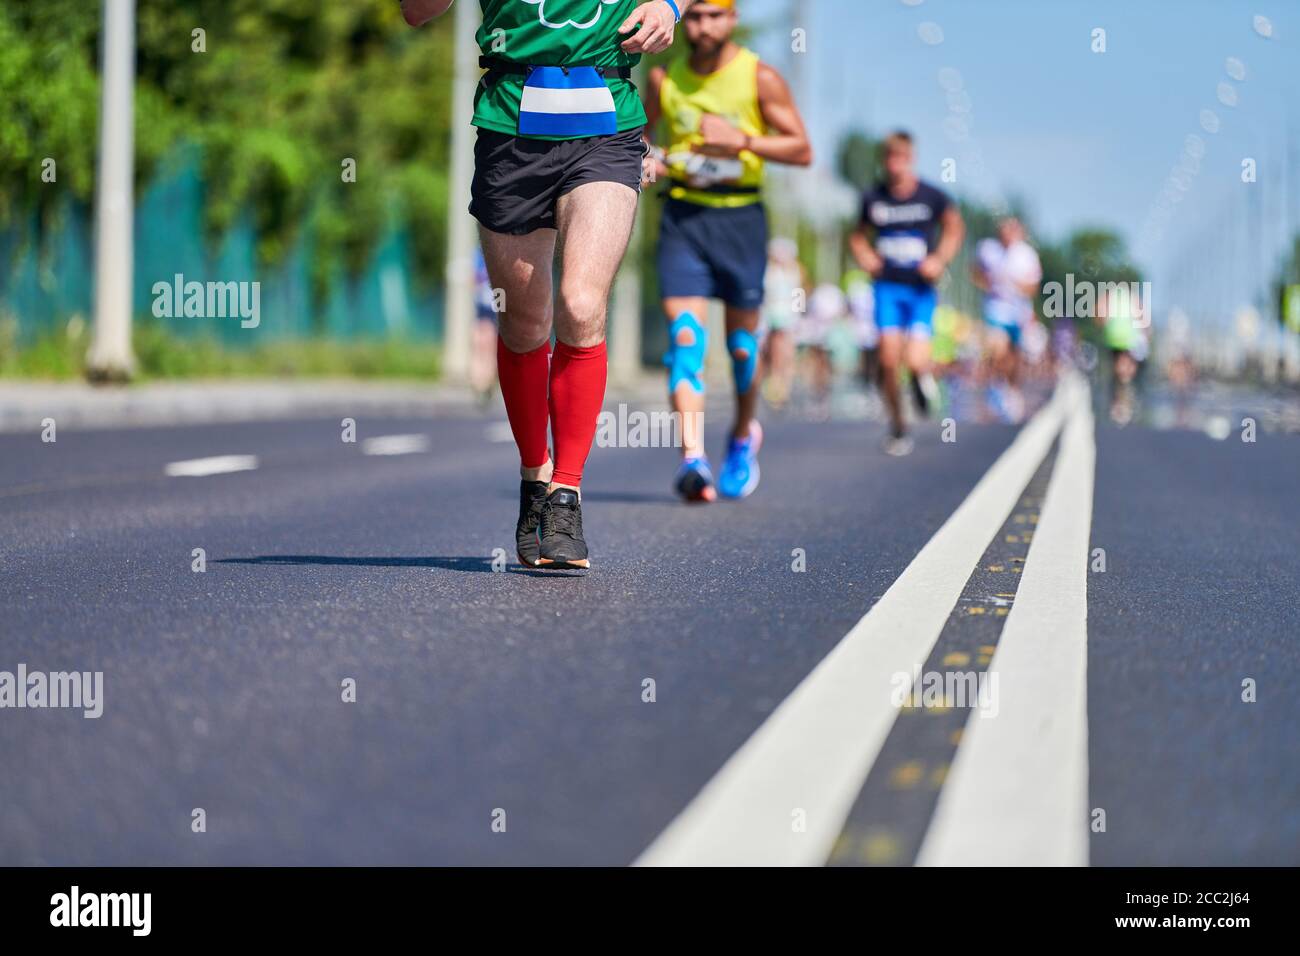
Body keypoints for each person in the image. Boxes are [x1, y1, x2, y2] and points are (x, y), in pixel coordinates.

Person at [402, 0, 692, 568]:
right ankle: (534, 477)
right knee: (524, 321)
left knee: (581, 306)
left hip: (607, 129)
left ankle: (567, 494)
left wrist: (671, 7)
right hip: (510, 129)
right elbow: (415, 13)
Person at [642, 0, 812, 501]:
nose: (703, 27)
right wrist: (653, 161)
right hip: (684, 219)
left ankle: (742, 435)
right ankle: (692, 460)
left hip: (741, 219)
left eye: (714, 16)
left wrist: (741, 140)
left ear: (732, 18)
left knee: (742, 350)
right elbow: (642, 140)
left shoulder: (759, 77)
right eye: (693, 16)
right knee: (687, 338)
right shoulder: (663, 79)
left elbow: (801, 149)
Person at [848, 131, 964, 456]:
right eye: (889, 157)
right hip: (887, 288)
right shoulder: (874, 198)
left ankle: (919, 379)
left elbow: (955, 227)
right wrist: (866, 257)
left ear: (910, 159)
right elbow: (857, 237)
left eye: (901, 157)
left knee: (914, 359)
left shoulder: (931, 196)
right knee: (887, 359)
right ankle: (898, 424)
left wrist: (939, 259)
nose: (895, 164)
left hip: (920, 290)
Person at [971, 216, 1042, 423]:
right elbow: (975, 272)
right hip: (995, 309)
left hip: (1018, 312)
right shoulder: (987, 249)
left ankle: (1012, 389)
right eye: (1004, 231)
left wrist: (1015, 284)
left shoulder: (1027, 256)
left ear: (1019, 234)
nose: (1007, 235)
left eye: (1012, 231)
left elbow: (1033, 288)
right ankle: (997, 387)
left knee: (1014, 357)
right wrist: (988, 281)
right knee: (997, 348)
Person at [759, 237, 805, 410]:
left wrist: (797, 318)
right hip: (771, 316)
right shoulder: (768, 272)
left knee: (786, 353)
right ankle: (774, 383)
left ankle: (783, 385)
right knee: (773, 352)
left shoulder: (794, 272)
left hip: (787, 318)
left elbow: (798, 297)